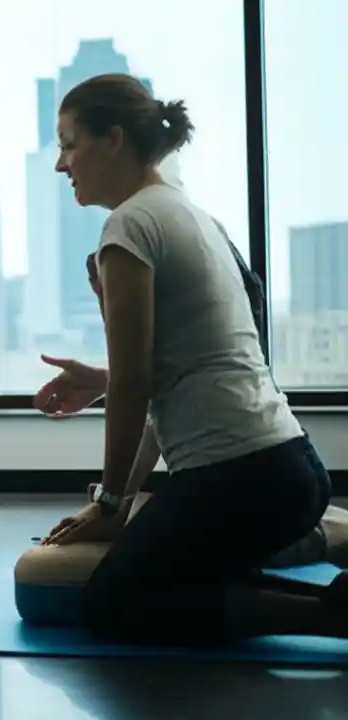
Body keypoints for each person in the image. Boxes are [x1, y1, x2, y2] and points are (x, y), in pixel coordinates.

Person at [39, 73, 344, 644]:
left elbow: (136, 382)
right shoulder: (192, 215)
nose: (61, 164)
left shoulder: (128, 225)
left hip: (243, 478)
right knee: (185, 564)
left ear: (114, 140)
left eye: (68, 142)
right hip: (295, 469)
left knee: (113, 603)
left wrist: (108, 504)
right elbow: (162, 375)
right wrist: (122, 498)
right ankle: (329, 589)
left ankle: (331, 617)